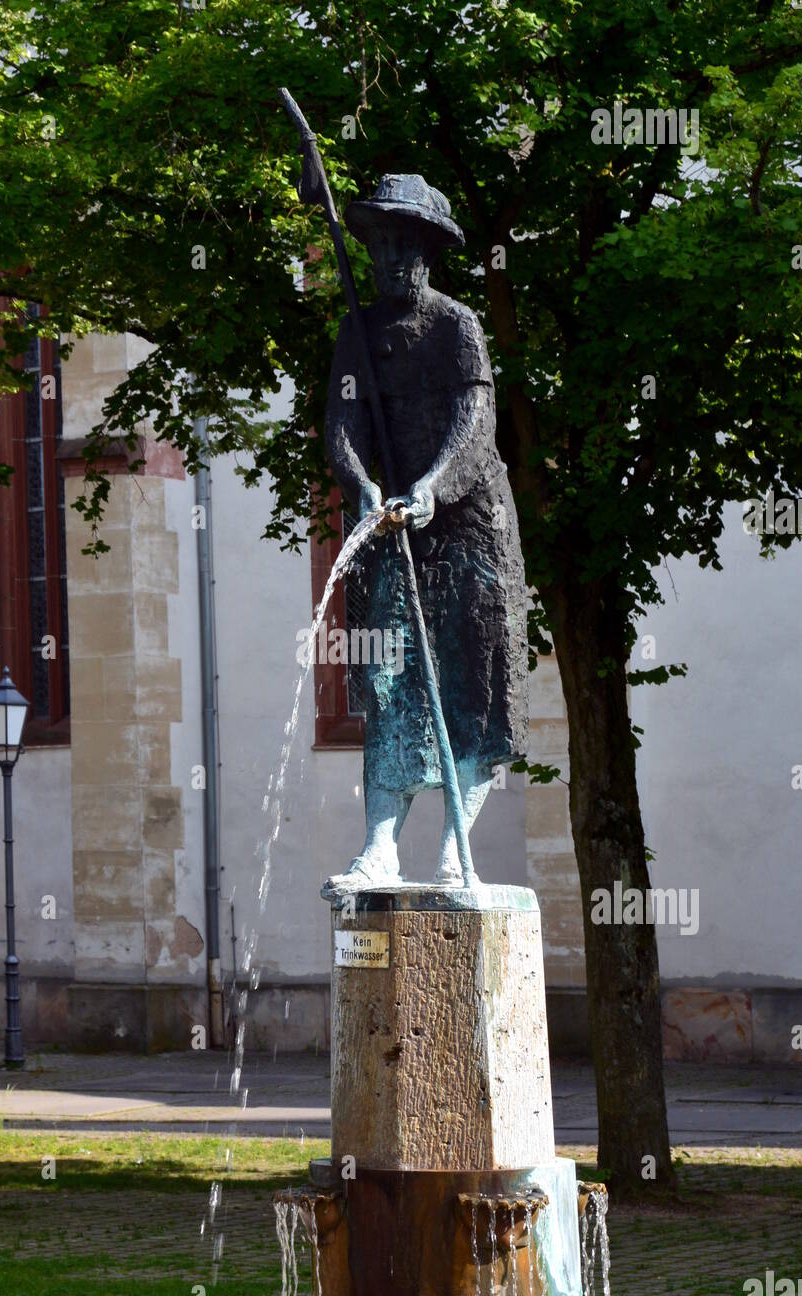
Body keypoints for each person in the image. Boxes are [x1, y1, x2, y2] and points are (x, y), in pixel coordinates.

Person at [324, 173, 528, 890]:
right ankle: (380, 845)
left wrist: (431, 489)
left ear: (428, 253)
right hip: (392, 523)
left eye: (401, 247)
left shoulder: (457, 326)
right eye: (378, 246)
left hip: (468, 521)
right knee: (387, 680)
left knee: (470, 680)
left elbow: (474, 427)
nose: (387, 261)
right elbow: (341, 430)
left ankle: (453, 847)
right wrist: (363, 485)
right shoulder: (358, 330)